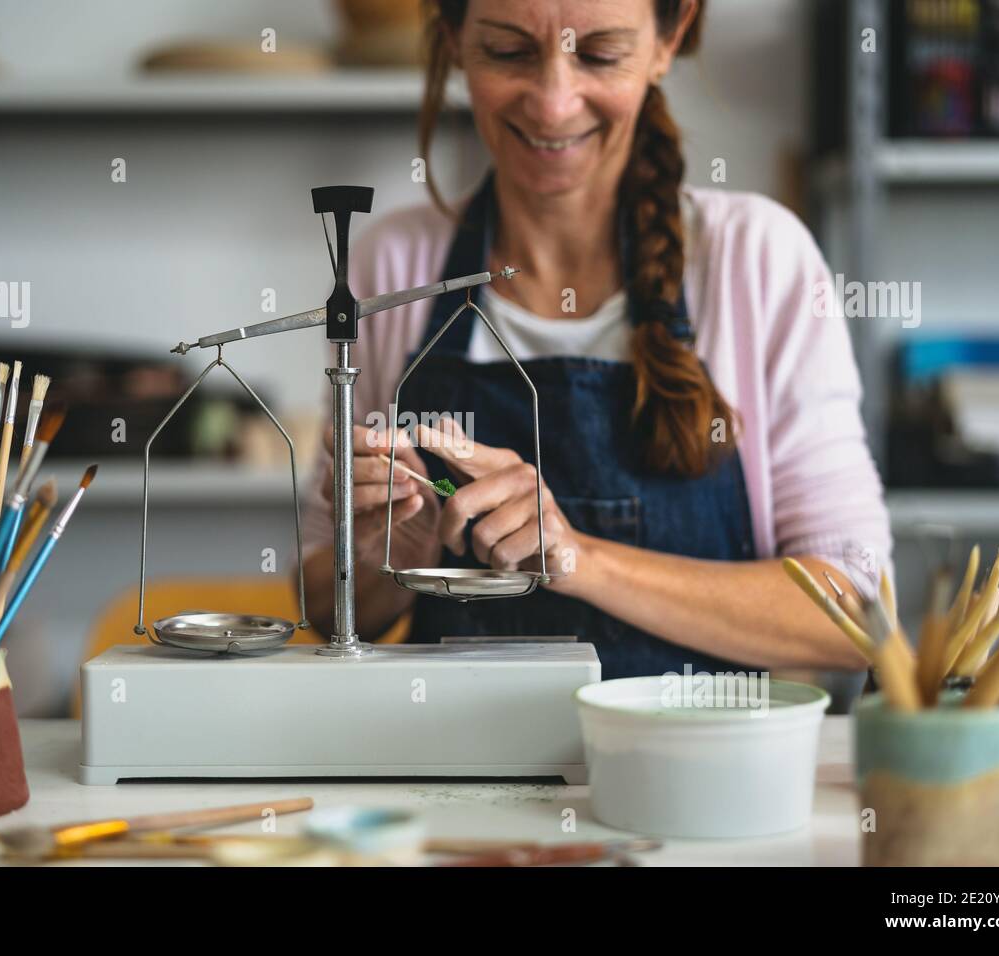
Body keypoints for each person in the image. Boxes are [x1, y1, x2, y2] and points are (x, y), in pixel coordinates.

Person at [299, 0, 890, 677]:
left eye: (600, 54)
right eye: (509, 52)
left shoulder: (758, 258)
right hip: (458, 771)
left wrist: (581, 559)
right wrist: (400, 541)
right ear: (454, 39)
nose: (552, 105)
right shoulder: (395, 267)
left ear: (669, 39)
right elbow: (323, 602)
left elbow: (859, 614)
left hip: (694, 770)